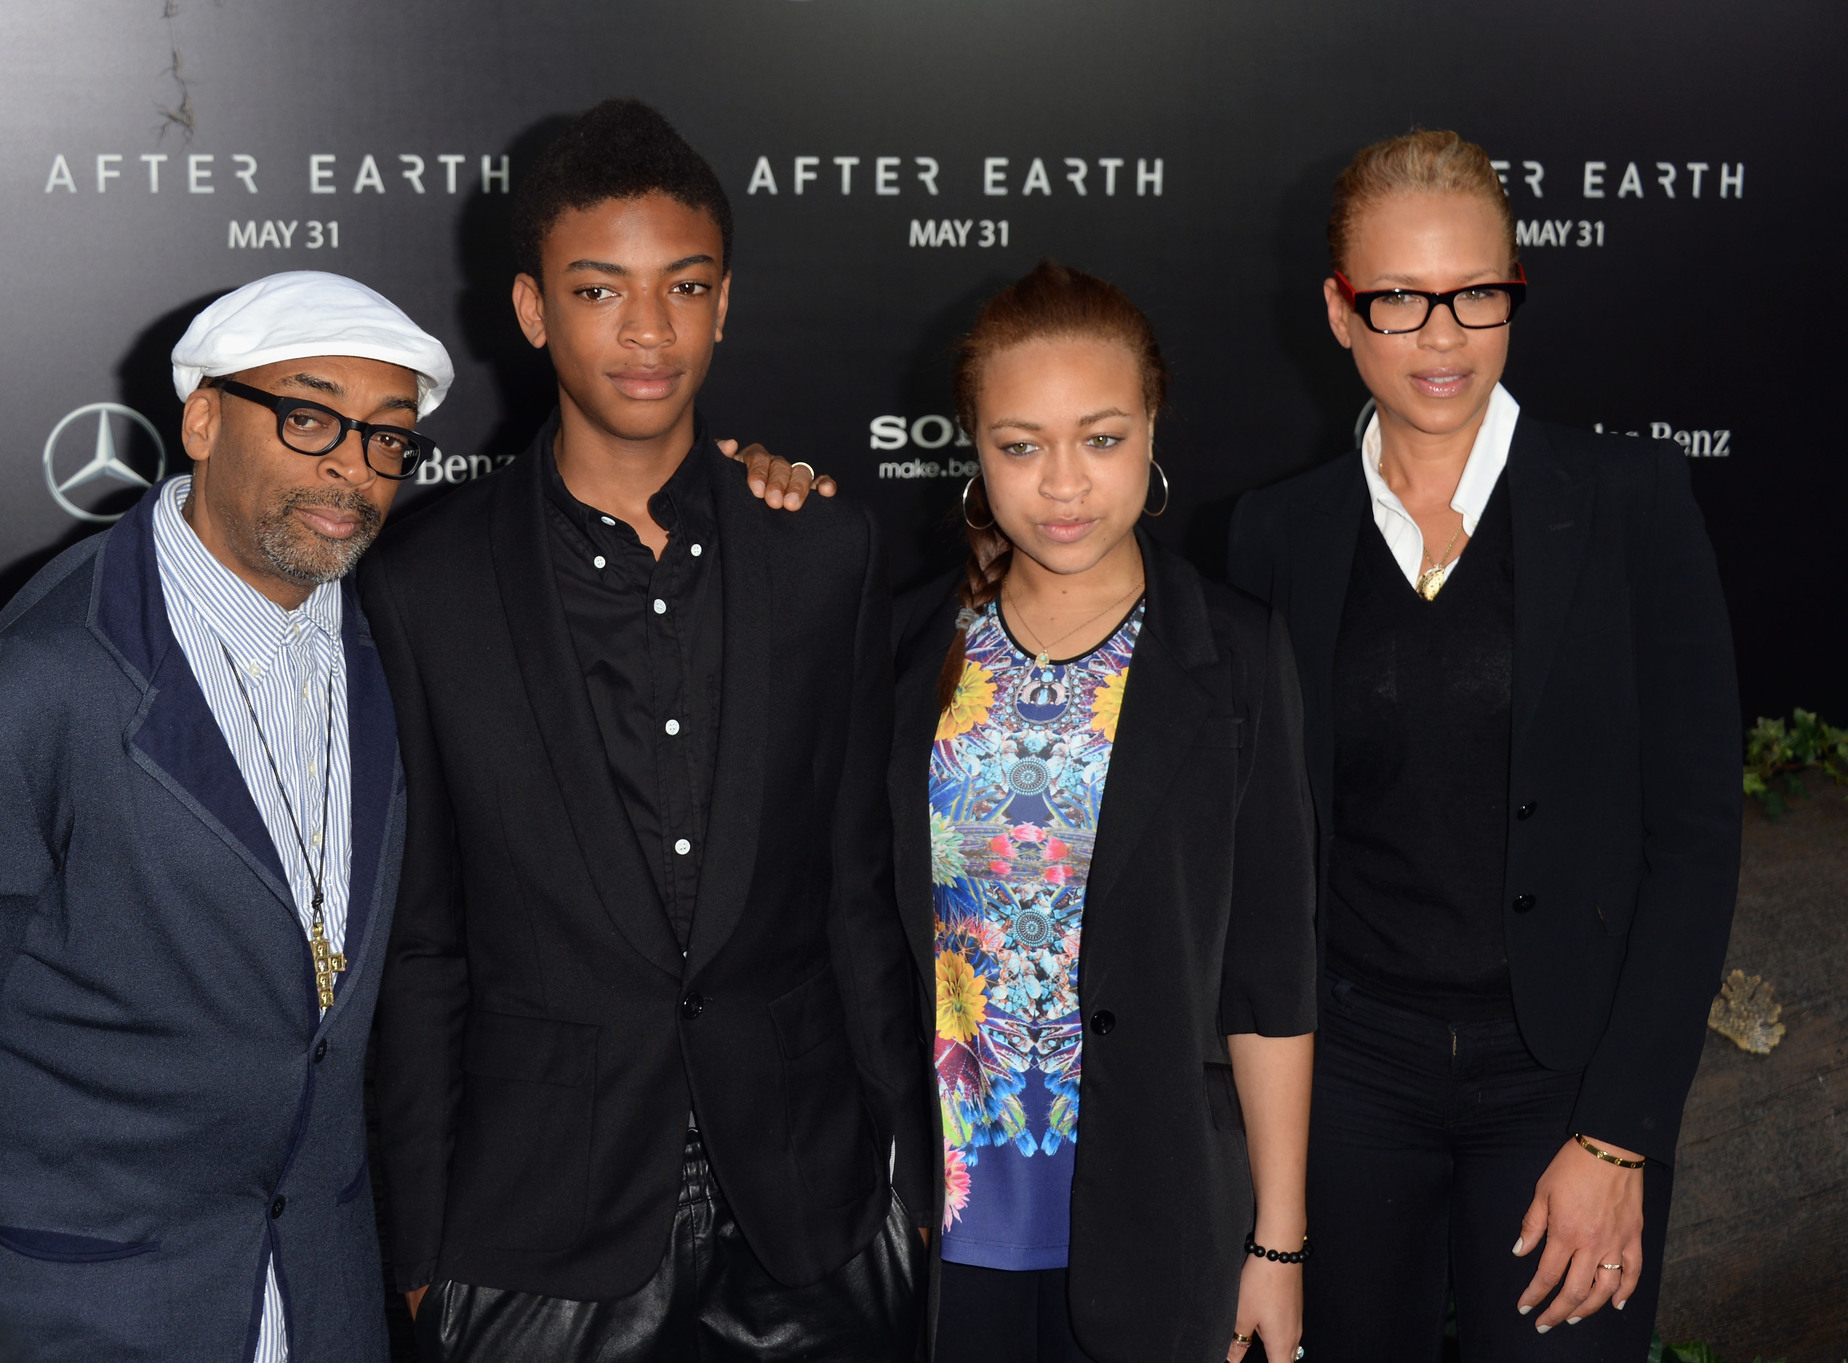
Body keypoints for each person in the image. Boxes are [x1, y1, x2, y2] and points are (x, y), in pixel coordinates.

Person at [360, 98, 932, 1362]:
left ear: (723, 303)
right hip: (531, 1231)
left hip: (811, 1210)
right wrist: (417, 1249)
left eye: (681, 287)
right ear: (531, 311)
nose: (645, 330)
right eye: (598, 290)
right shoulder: (423, 585)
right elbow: (422, 945)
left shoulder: (823, 549)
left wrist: (910, 1179)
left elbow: (857, 886)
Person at [0, 270, 454, 1361]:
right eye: (309, 417)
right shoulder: (38, 682)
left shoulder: (393, 642)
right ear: (205, 417)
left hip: (319, 1296)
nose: (351, 469)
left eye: (386, 437)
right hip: (75, 1309)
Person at [1228, 130, 1742, 1361]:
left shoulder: (1628, 502)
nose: (1442, 336)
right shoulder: (1269, 536)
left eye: (1474, 294)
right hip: (1346, 1079)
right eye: (1398, 299)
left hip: (1564, 1077)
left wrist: (1620, 1134)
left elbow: (1693, 838)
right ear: (1339, 311)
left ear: (1514, 290)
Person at [889, 261, 1318, 1363]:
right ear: (974, 451)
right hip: (938, 1231)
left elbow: (1268, 975)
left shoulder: (1230, 651)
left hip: (1160, 1216)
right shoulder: (900, 649)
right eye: (1020, 445)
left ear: (1153, 426)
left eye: (1101, 437)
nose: (1062, 483)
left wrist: (1276, 1244)